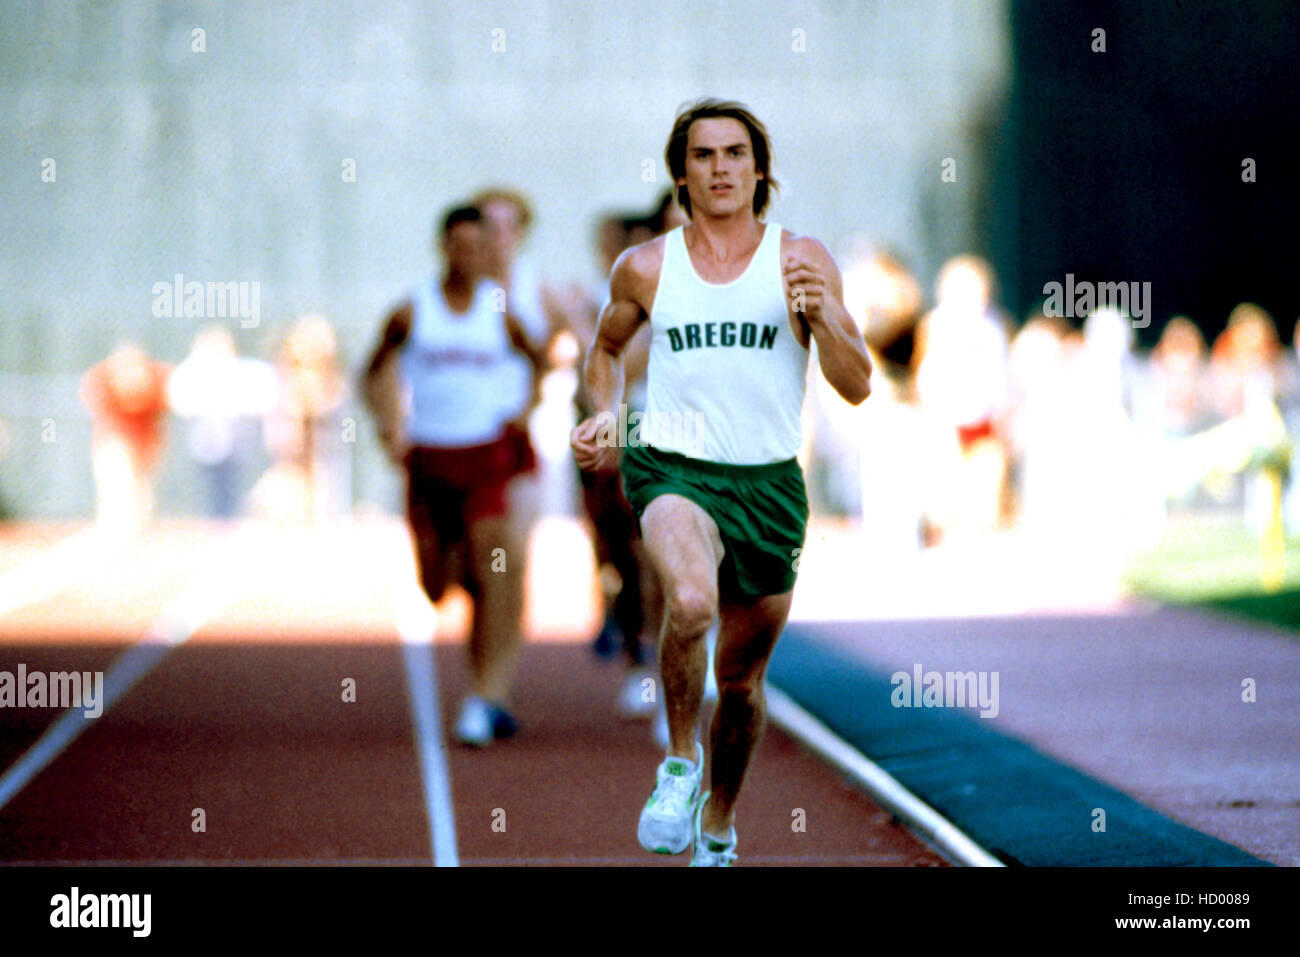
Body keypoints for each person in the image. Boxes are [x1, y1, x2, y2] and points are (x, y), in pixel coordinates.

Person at [570, 99, 871, 866]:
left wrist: (825, 313)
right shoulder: (646, 267)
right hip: (673, 465)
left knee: (739, 685)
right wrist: (604, 412)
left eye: (735, 154)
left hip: (768, 484)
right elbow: (602, 351)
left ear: (759, 169)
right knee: (691, 600)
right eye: (703, 156)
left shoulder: (800, 257)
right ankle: (677, 765)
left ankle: (720, 824)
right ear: (681, 173)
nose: (721, 168)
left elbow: (857, 382)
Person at [362, 204, 546, 747]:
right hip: (429, 460)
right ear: (443, 247)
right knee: (436, 586)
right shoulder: (412, 310)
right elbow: (374, 371)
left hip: (486, 456)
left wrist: (523, 409)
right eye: (458, 245)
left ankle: (485, 698)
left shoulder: (499, 307)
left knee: (494, 567)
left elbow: (536, 361)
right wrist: (387, 425)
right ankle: (459, 581)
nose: (467, 255)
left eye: (477, 246)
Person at [79, 342, 172, 538]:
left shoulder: (156, 378)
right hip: (114, 442)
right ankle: (113, 534)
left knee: (142, 494)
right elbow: (95, 400)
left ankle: (137, 538)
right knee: (117, 489)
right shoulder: (102, 379)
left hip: (145, 445)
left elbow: (168, 395)